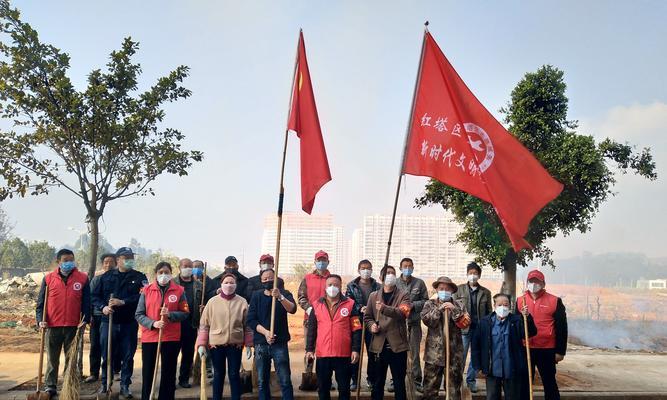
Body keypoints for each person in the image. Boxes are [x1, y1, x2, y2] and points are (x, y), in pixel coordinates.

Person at [92, 246, 147, 398]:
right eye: (126, 258)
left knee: (128, 356)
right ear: (118, 260)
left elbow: (144, 297)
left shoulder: (139, 277)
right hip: (108, 322)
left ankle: (125, 385)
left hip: (128, 323)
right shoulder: (106, 277)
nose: (130, 261)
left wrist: (123, 301)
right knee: (107, 354)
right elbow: (94, 296)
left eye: (131, 258)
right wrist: (102, 307)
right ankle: (105, 384)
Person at [35, 249, 90, 397]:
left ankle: (69, 385)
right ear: (58, 262)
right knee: (52, 359)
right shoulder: (48, 279)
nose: (69, 263)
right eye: (65, 260)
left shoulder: (83, 278)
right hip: (53, 326)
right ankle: (50, 386)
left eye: (71, 259)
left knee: (70, 359)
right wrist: (40, 320)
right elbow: (40, 304)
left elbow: (86, 303)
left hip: (73, 326)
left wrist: (84, 320)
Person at [135, 262, 190, 400]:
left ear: (171, 273)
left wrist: (170, 314)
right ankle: (147, 397)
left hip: (171, 338)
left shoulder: (179, 291)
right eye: (160, 272)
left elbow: (185, 312)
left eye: (166, 272)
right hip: (150, 338)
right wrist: (153, 323)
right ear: (156, 274)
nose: (163, 275)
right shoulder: (146, 291)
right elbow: (139, 314)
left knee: (169, 372)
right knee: (148, 372)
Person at [306, 274, 362, 400]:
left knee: (344, 389)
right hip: (323, 354)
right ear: (325, 287)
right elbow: (312, 330)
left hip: (343, 354)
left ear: (340, 286)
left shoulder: (350, 304)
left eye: (336, 285)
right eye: (330, 285)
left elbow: (356, 328)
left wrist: (355, 349)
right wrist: (309, 349)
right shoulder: (316, 305)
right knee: (323, 389)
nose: (333, 287)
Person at [472, 293, 537, 400]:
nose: (503, 307)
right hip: (492, 369)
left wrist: (527, 317)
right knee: (492, 396)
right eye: (500, 304)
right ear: (494, 306)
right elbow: (476, 345)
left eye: (506, 305)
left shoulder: (516, 320)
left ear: (510, 306)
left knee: (512, 397)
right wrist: (477, 366)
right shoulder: (484, 322)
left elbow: (530, 332)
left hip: (511, 368)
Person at [196, 273, 250, 400]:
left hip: (235, 345)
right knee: (219, 375)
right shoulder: (212, 302)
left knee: (234, 375)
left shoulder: (242, 302)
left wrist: (248, 344)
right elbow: (204, 325)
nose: (229, 285)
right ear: (221, 284)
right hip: (216, 345)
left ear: (236, 285)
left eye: (232, 282)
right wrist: (202, 344)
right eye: (226, 282)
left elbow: (247, 325)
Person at [516, 270, 568, 400]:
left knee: (549, 382)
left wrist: (560, 351)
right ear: (527, 283)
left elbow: (562, 328)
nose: (534, 284)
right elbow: (516, 327)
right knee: (524, 383)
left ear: (543, 284)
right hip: (526, 348)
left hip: (547, 349)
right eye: (531, 281)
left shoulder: (555, 301)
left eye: (537, 281)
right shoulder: (520, 301)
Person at [247, 268, 297, 400]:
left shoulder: (285, 293)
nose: (268, 281)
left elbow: (292, 309)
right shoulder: (256, 296)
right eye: (265, 279)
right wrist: (266, 333)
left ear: (276, 279)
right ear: (261, 281)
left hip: (279, 343)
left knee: (285, 379)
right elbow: (251, 320)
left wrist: (280, 297)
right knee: (262, 381)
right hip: (261, 344)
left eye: (270, 278)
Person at [363, 265, 411, 400]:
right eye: (387, 273)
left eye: (392, 273)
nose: (390, 275)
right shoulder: (373, 296)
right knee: (377, 383)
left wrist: (384, 308)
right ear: (381, 278)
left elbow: (403, 313)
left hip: (397, 346)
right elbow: (367, 317)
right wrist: (371, 326)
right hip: (378, 346)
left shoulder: (403, 295)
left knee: (399, 383)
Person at [421, 276, 466, 400]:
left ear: (452, 290)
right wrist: (439, 310)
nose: (444, 291)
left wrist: (454, 310)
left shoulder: (459, 305)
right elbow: (427, 321)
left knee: (453, 390)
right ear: (436, 290)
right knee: (430, 389)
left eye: (447, 288)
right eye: (441, 288)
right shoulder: (429, 304)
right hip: (434, 354)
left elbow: (465, 323)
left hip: (454, 354)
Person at [453, 261, 492, 393]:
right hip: (463, 329)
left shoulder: (486, 292)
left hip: (479, 330)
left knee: (476, 356)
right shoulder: (459, 290)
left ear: (479, 275)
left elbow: (489, 312)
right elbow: (454, 309)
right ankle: (457, 381)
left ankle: (471, 381)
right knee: (461, 356)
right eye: (470, 273)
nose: (473, 275)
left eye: (475, 273)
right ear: (467, 274)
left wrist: (487, 329)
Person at [345, 259, 381, 391]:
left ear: (371, 270)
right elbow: (348, 302)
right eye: (363, 268)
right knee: (356, 351)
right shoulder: (351, 286)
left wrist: (371, 309)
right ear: (358, 270)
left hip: (372, 322)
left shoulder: (378, 286)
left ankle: (371, 379)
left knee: (373, 353)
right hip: (357, 322)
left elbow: (381, 302)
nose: (366, 270)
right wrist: (360, 308)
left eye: (368, 268)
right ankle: (354, 379)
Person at [395, 257, 429, 391]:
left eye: (410, 266)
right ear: (400, 268)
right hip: (398, 325)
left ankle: (416, 380)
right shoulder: (395, 283)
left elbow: (426, 301)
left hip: (414, 323)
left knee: (414, 353)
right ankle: (396, 380)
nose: (407, 268)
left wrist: (413, 305)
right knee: (398, 354)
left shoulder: (419, 283)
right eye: (405, 266)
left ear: (413, 268)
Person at [85, 253, 117, 383]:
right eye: (105, 262)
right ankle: (94, 372)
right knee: (95, 345)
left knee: (110, 346)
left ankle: (111, 372)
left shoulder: (118, 278)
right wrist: (90, 316)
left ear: (116, 263)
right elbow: (91, 297)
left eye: (111, 262)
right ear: (102, 264)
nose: (108, 264)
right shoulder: (97, 279)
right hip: (97, 317)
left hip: (111, 317)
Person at [173, 258, 205, 388]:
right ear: (179, 267)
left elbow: (205, 300)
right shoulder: (172, 283)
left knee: (187, 354)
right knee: (172, 354)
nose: (188, 268)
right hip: (174, 325)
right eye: (185, 266)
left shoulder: (198, 285)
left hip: (191, 324)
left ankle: (184, 379)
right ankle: (170, 380)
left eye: (190, 266)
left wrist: (203, 307)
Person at [298, 250, 331, 342]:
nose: (321, 262)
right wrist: (309, 309)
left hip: (327, 319)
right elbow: (301, 297)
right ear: (315, 262)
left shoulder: (332, 279)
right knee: (309, 349)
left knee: (325, 348)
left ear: (328, 262)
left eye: (324, 260)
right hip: (309, 319)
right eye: (319, 260)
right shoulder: (307, 278)